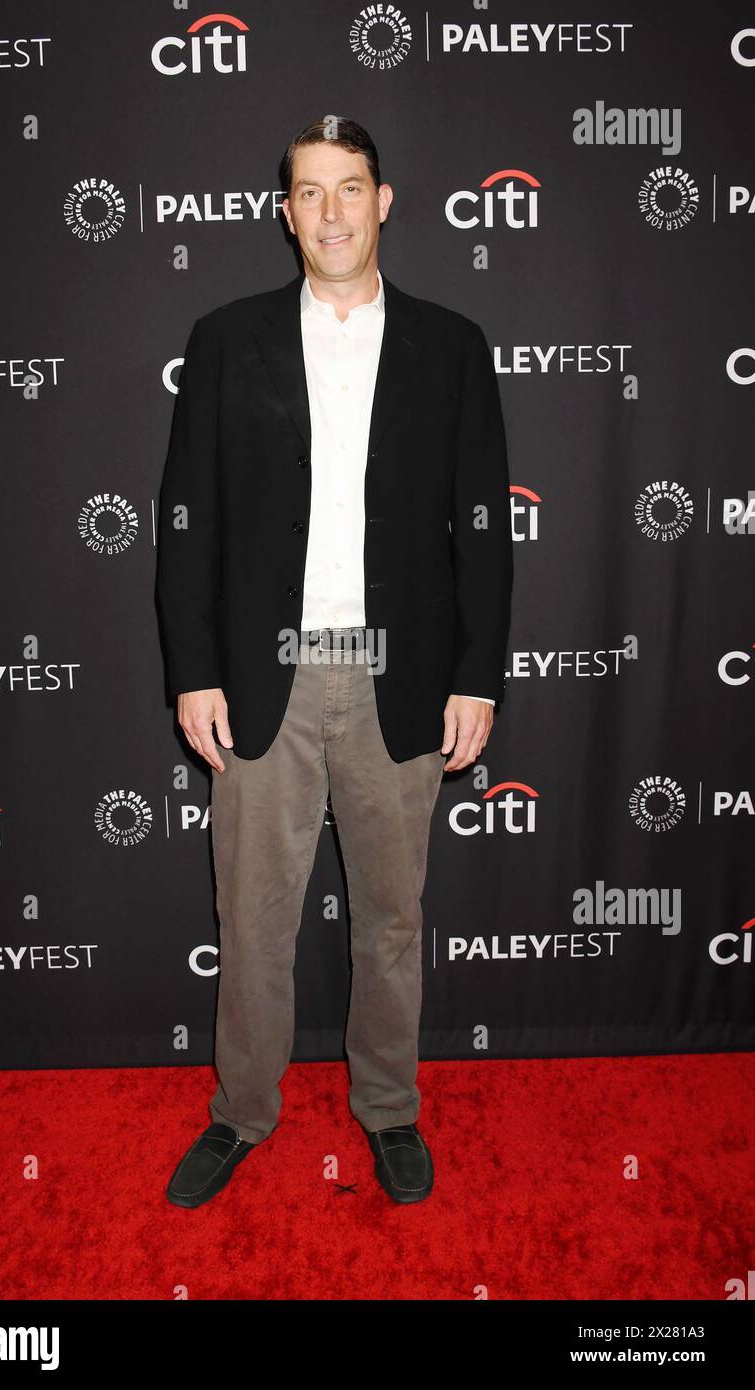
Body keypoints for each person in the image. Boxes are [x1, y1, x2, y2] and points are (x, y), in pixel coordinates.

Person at [155, 115, 513, 1209]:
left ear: (385, 200)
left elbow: (483, 524)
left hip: (399, 678)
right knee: (253, 915)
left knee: (391, 916)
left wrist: (477, 673)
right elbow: (186, 522)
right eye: (308, 192)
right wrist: (194, 667)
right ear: (285, 212)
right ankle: (242, 1113)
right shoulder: (226, 339)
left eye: (348, 188)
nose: (331, 212)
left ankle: (389, 1108)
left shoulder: (452, 344)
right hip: (267, 674)